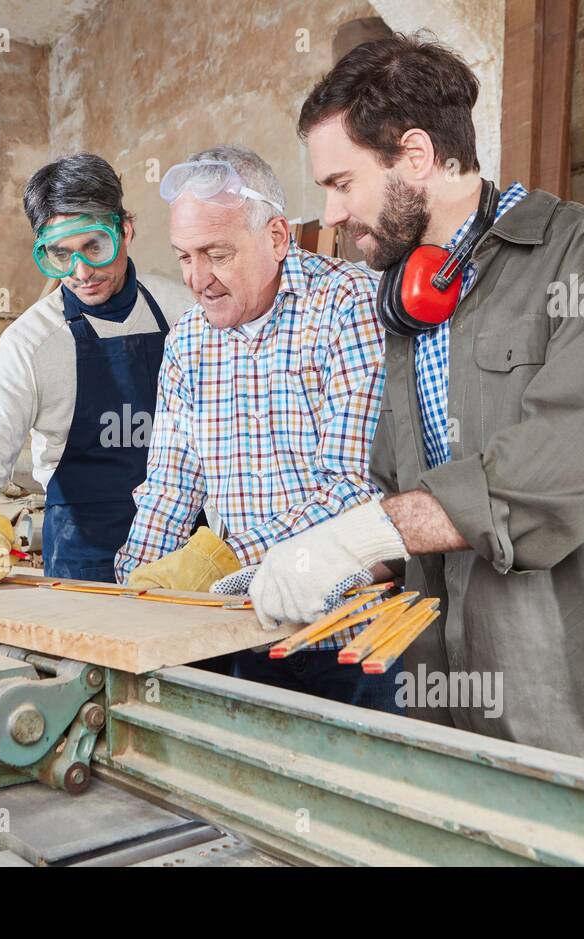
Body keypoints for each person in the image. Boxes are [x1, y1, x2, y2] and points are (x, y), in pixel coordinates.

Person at [247, 32, 584, 863]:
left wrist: (361, 535)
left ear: (418, 155)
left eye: (340, 182)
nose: (329, 213)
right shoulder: (411, 307)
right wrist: (341, 569)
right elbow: (413, 508)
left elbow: (571, 464)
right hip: (492, 730)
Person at [114, 145, 394, 710]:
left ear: (275, 238)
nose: (197, 279)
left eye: (216, 254)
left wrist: (221, 556)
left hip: (351, 635)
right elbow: (170, 488)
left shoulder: (347, 305)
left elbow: (355, 486)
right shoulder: (189, 342)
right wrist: (131, 591)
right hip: (244, 630)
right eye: (184, 256)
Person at [0, 153, 194, 587]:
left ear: (125, 230)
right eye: (60, 255)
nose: (81, 272)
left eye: (94, 247)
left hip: (182, 558)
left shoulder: (184, 313)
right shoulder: (30, 342)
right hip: (81, 567)